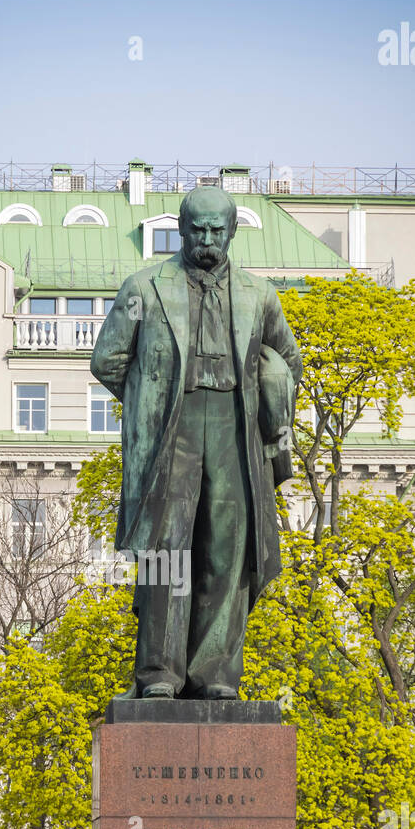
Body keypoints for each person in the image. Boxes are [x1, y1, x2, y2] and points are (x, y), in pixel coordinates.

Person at [90, 185, 302, 699]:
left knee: (225, 552)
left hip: (235, 427)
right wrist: (152, 399)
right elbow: (108, 361)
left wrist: (266, 401)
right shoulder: (144, 287)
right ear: (181, 229)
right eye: (198, 229)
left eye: (217, 230)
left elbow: (287, 361)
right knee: (168, 551)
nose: (207, 239)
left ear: (231, 231)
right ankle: (160, 674)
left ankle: (216, 676)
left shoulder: (261, 294)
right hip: (173, 428)